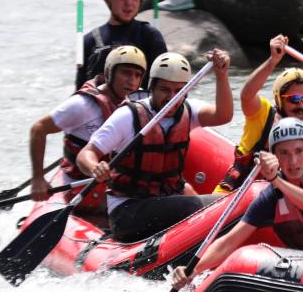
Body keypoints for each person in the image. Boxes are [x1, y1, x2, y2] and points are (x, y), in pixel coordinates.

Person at [172, 117, 303, 287]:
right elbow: (229, 241)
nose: (293, 161)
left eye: (299, 151)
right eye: (284, 153)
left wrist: (276, 180)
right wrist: (193, 269)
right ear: (275, 156)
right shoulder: (271, 198)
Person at [76, 50, 234, 242]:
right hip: (128, 211)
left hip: (166, 201)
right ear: (152, 87)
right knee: (206, 204)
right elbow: (86, 154)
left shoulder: (189, 111)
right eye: (164, 90)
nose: (171, 98)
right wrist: (95, 167)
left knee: (222, 201)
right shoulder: (128, 116)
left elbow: (224, 115)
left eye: (178, 91)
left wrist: (221, 75)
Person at [29, 45, 147, 216]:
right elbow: (38, 129)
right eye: (126, 73)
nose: (132, 81)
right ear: (109, 73)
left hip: (112, 181)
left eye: (137, 75)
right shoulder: (82, 105)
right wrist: (38, 178)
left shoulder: (135, 103)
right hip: (82, 186)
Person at [215, 35, 303, 192]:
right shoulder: (264, 114)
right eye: (294, 99)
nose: (302, 105)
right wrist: (273, 61)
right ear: (279, 100)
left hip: (274, 199)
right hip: (234, 196)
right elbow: (247, 95)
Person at [78, 0, 167, 88]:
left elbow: (164, 83)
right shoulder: (89, 41)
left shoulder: (150, 36)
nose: (129, 3)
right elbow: (79, 90)